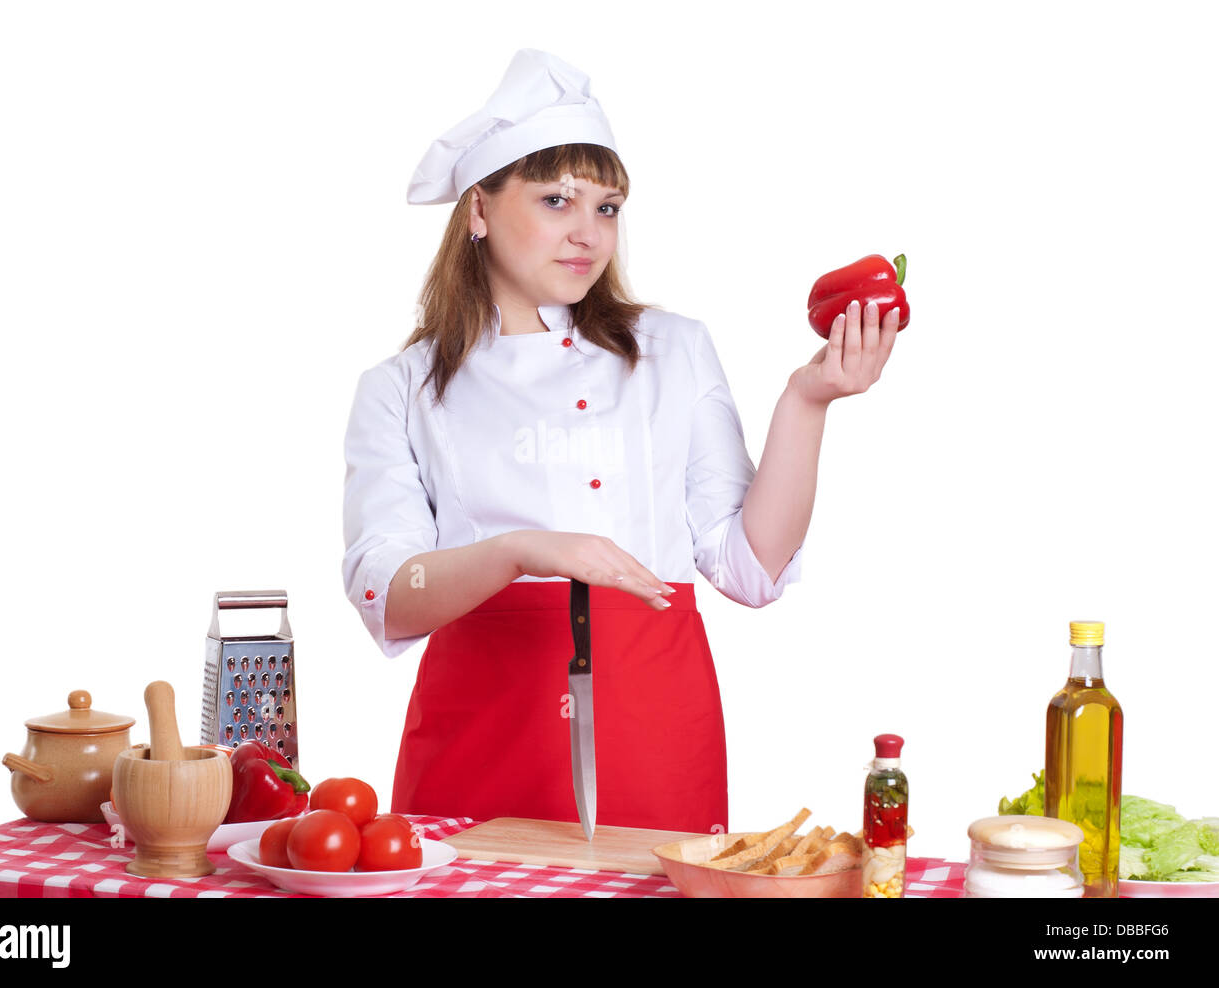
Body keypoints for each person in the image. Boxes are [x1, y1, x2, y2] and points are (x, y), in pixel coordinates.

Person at [342, 49, 898, 834]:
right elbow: (388, 597)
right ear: (478, 209)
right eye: (557, 199)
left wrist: (808, 403)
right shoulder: (402, 388)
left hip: (656, 727)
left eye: (606, 208)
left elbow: (750, 567)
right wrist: (522, 549)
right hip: (482, 733)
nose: (588, 233)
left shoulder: (673, 350)